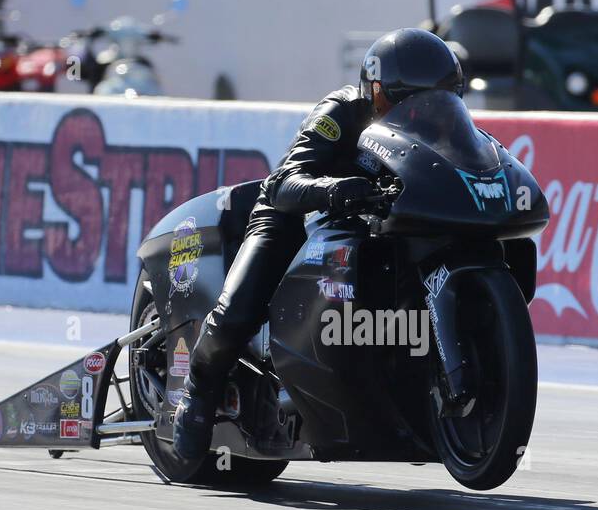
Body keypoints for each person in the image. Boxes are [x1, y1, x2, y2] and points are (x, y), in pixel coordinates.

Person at [171, 27, 466, 459]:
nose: (414, 114)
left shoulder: (446, 130)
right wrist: (333, 189)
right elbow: (286, 183)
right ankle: (197, 391)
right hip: (296, 214)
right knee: (238, 310)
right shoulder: (341, 112)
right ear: (374, 91)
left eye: (433, 102)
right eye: (398, 101)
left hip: (379, 226)